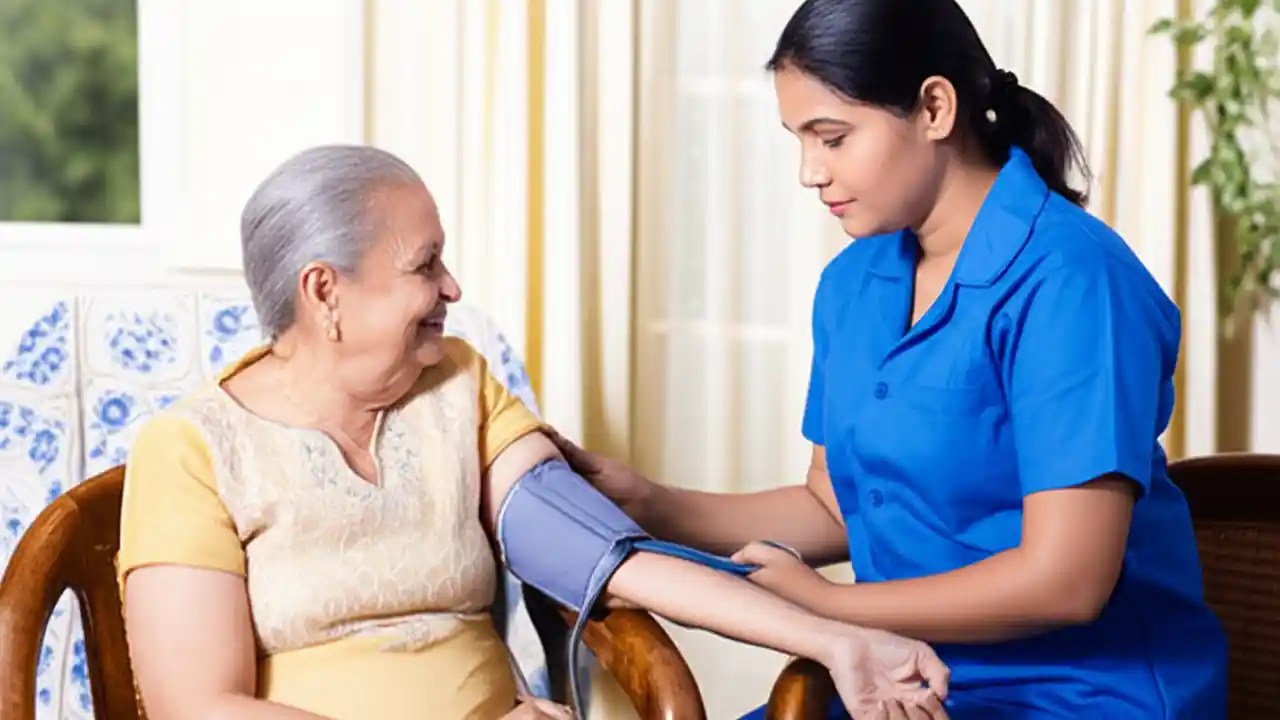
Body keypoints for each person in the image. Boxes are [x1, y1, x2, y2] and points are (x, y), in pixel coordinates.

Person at [548, 0, 1228, 718]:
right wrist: (651, 504)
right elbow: (834, 506)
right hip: (903, 677)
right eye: (799, 140)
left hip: (1077, 694)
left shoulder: (1073, 280)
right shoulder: (855, 283)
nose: (810, 171)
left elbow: (1069, 580)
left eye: (832, 138)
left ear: (935, 107)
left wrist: (834, 605)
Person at [115, 145, 951, 720]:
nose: (453, 285)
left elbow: (603, 553)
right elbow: (202, 707)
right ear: (325, 292)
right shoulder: (190, 451)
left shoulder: (457, 386)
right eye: (424, 265)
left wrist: (840, 640)